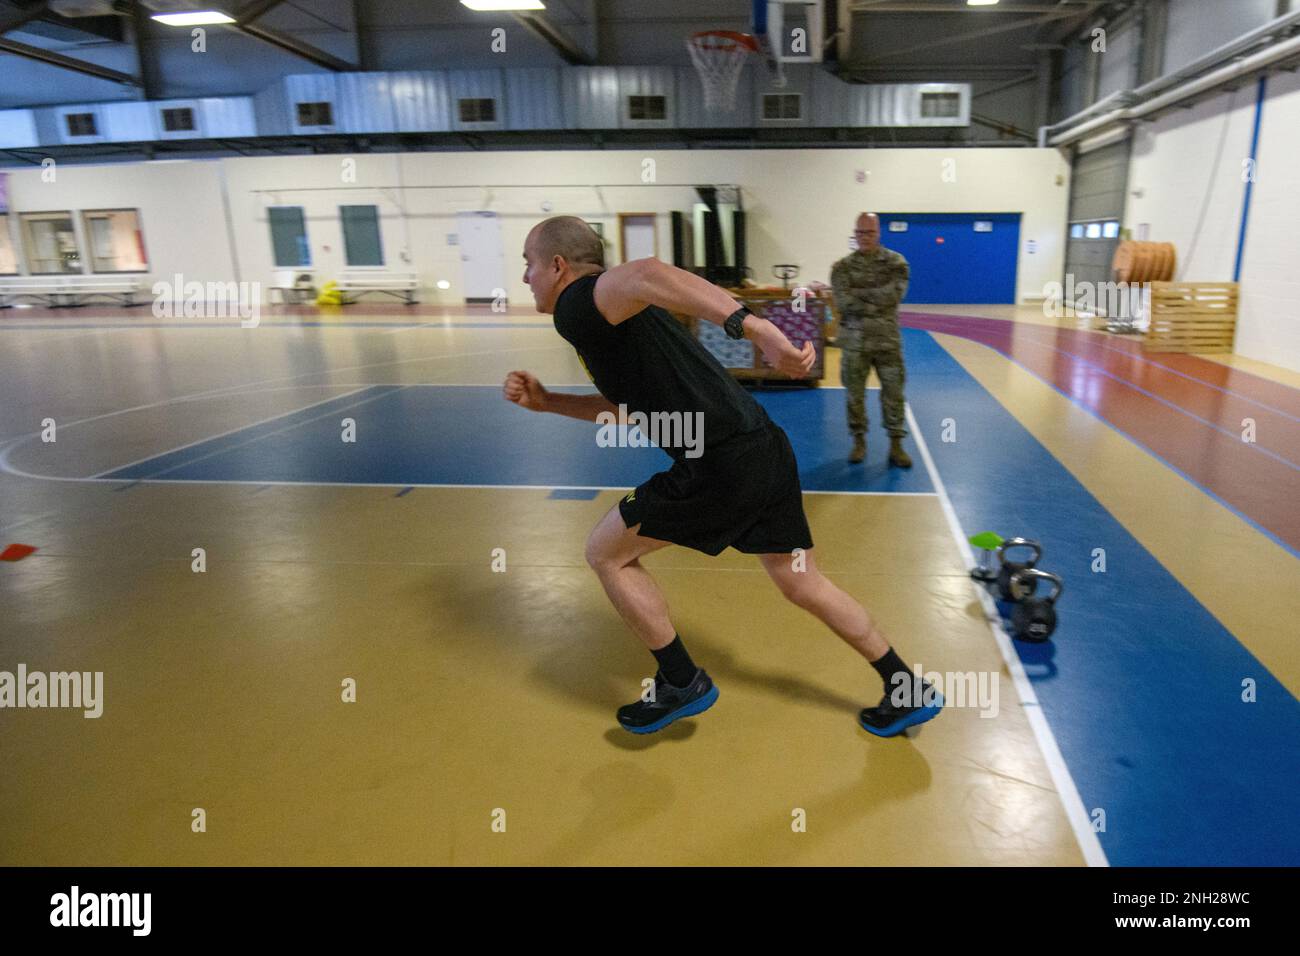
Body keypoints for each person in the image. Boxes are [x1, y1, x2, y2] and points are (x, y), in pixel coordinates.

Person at [503, 216, 941, 737]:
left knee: (606, 554)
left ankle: (680, 679)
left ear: (558, 266)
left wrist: (756, 328)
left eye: (528, 264)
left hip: (720, 464)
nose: (525, 277)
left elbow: (646, 270)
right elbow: (629, 410)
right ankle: (904, 686)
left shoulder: (580, 304)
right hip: (763, 446)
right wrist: (549, 402)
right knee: (803, 582)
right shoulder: (612, 319)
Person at [830, 213, 913, 469]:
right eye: (860, 232)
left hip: (887, 343)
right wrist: (875, 299)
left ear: (879, 233)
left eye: (870, 232)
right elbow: (843, 302)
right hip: (855, 344)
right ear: (855, 233)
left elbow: (894, 296)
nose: (865, 237)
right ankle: (859, 442)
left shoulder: (896, 263)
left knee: (894, 394)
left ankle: (896, 445)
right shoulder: (841, 267)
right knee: (854, 396)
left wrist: (859, 295)